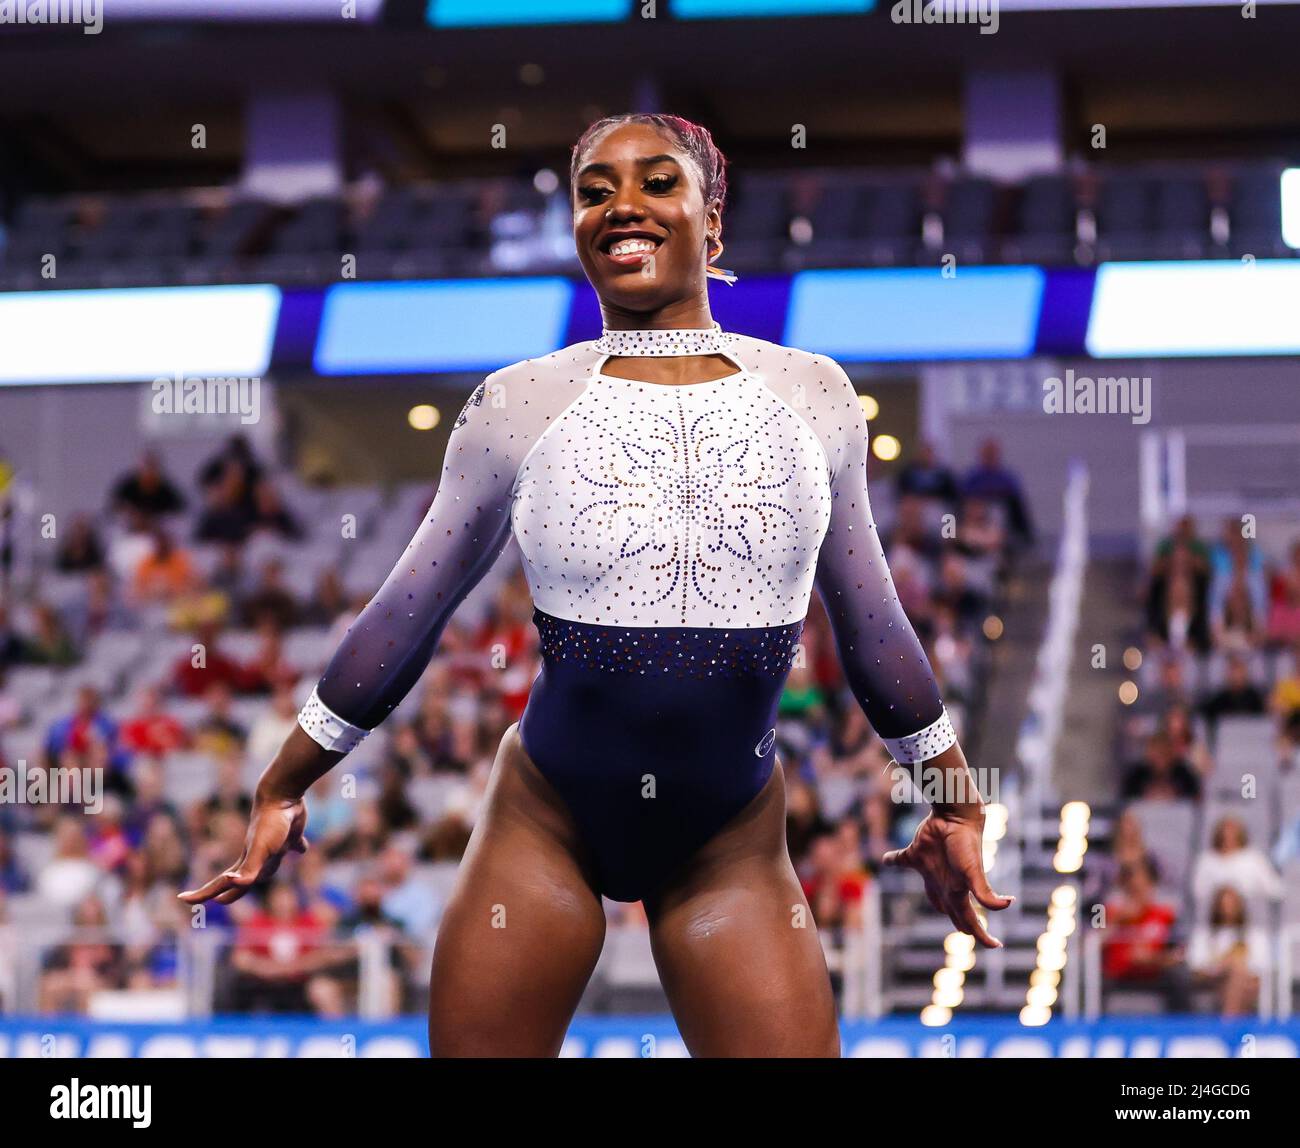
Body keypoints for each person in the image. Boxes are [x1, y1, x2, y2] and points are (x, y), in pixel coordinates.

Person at [181, 113, 1009, 1058]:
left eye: (659, 183)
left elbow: (873, 629)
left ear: (714, 218)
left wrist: (954, 799)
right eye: (594, 189)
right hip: (549, 824)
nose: (624, 206)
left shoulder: (812, 394)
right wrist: (285, 782)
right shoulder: (518, 401)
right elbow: (406, 614)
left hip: (727, 841)